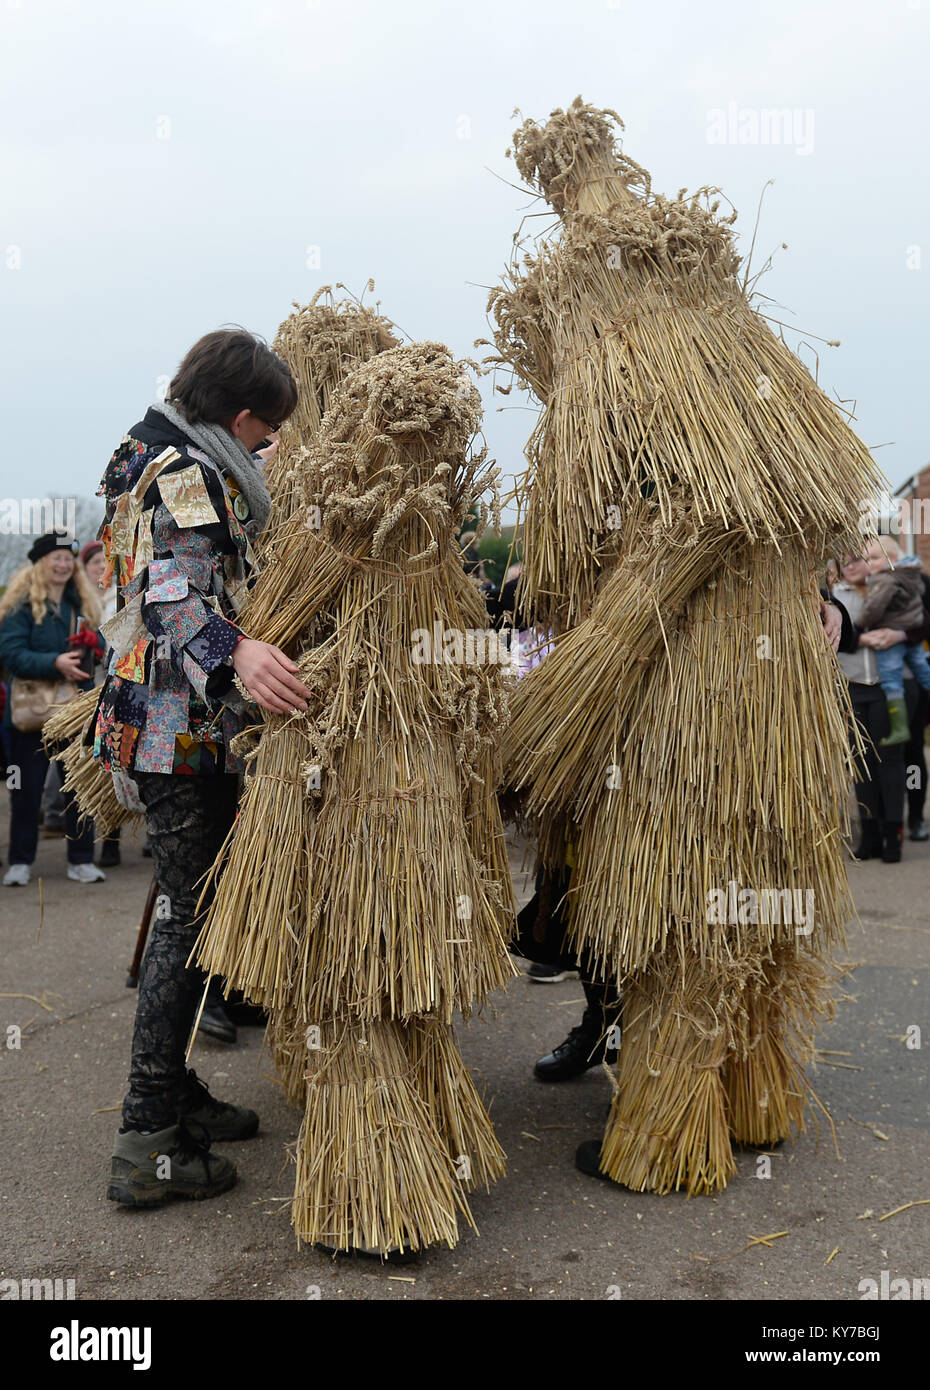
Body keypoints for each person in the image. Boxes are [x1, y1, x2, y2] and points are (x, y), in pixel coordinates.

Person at [96, 329, 309, 1208]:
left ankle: (175, 1096)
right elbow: (174, 591)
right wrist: (239, 654)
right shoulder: (187, 472)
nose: (270, 448)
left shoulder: (138, 450)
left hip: (151, 719)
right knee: (190, 921)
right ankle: (147, 1142)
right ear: (242, 412)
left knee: (194, 914)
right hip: (178, 732)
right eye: (269, 431)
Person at [0, 531, 105, 885]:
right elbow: (11, 654)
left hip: (73, 711)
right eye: (55, 558)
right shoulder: (21, 607)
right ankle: (20, 861)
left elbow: (101, 647)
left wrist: (96, 642)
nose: (62, 564)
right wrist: (54, 662)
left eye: (67, 558)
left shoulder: (81, 603)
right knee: (25, 790)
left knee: (79, 788)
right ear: (42, 563)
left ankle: (81, 859)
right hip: (31, 716)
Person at [831, 554, 907, 862]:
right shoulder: (833, 598)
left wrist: (897, 634)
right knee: (861, 763)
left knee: (889, 762)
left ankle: (893, 836)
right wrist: (864, 639)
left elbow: (918, 621)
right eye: (843, 562)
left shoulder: (887, 588)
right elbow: (837, 638)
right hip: (852, 687)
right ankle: (869, 834)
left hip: (887, 688)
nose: (850, 566)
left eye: (856, 560)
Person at [857, 538, 930, 745]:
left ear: (893, 558)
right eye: (866, 559)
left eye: (874, 558)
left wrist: (859, 626)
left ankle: (900, 727)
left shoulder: (885, 580)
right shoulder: (911, 574)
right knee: (923, 669)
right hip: (913, 636)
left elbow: (873, 609)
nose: (869, 563)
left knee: (890, 679)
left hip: (892, 638)